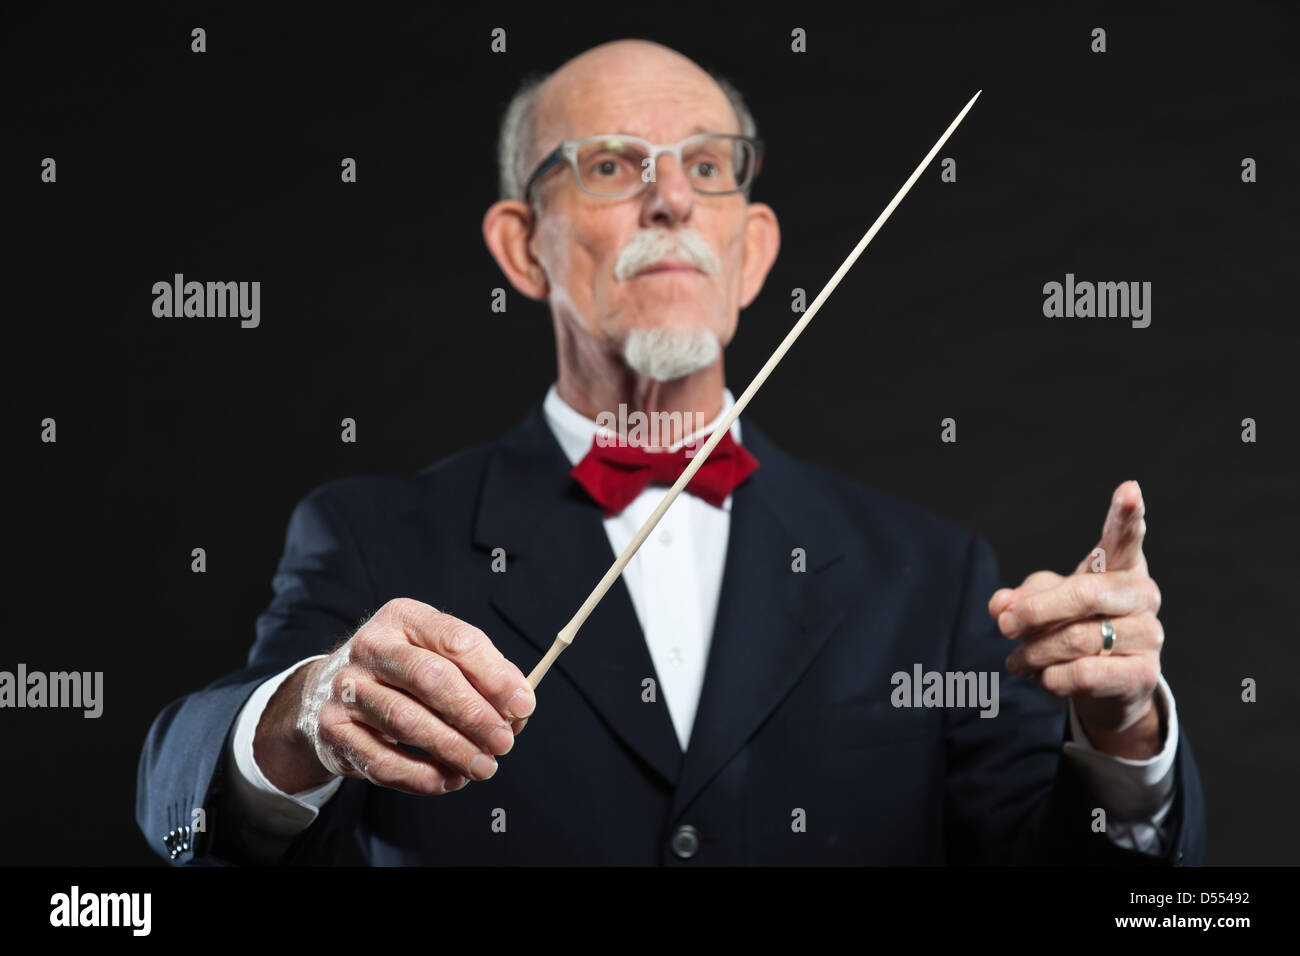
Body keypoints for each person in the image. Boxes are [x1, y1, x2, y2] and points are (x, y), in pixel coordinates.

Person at [136, 39, 1204, 865]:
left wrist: (1125, 738)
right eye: (612, 164)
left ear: (754, 253)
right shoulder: (371, 537)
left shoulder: (931, 576)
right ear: (523, 245)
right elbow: (193, 804)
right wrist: (308, 714)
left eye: (707, 165)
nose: (673, 197)